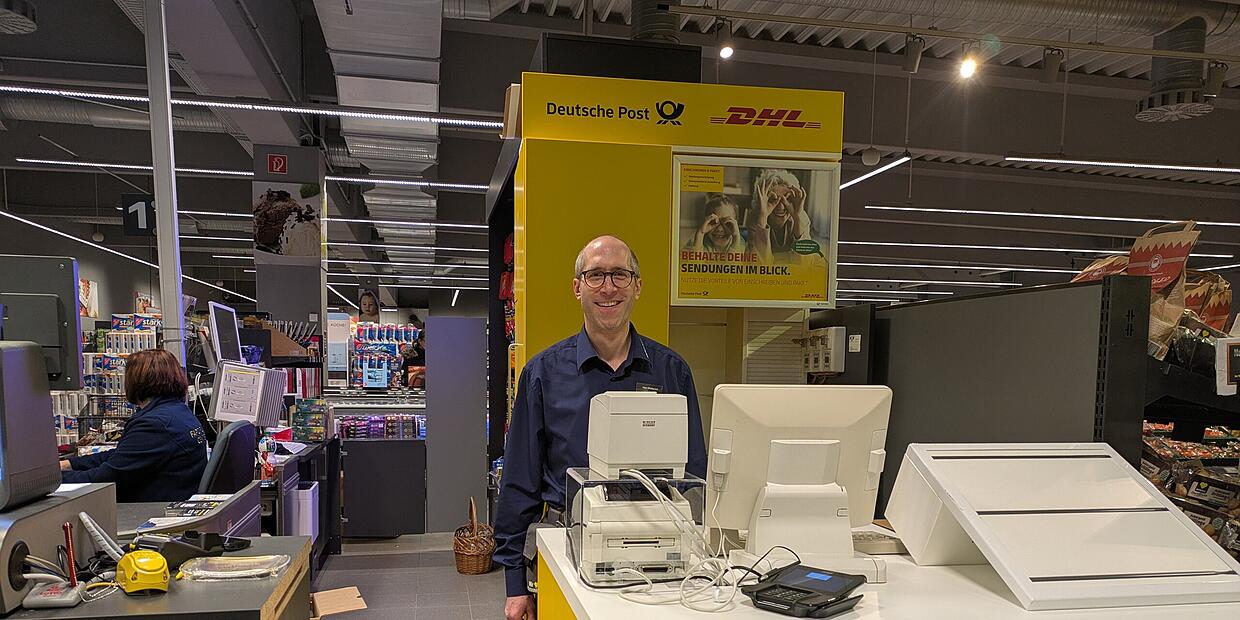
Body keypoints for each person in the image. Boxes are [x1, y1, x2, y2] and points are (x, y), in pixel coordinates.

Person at [494, 236, 708, 620]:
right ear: (577, 287)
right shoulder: (542, 374)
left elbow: (694, 472)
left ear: (637, 286)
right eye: (595, 275)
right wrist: (515, 581)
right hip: (566, 548)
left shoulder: (672, 372)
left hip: (659, 551)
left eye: (620, 275)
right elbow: (519, 479)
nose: (608, 288)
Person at [62, 349, 208, 502]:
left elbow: (105, 478)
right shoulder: (178, 413)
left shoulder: (154, 425)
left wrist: (56, 480)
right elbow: (122, 456)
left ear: (135, 381)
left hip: (147, 508)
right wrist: (70, 464)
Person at [746, 168, 811, 264]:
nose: (781, 207)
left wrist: (797, 219)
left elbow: (805, 264)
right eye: (772, 199)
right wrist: (763, 218)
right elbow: (757, 266)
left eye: (788, 199)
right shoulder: (756, 217)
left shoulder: (801, 217)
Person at [683, 194, 747, 254]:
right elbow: (692, 261)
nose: (719, 229)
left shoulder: (739, 243)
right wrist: (700, 234)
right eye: (713, 222)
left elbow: (735, 262)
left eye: (727, 223)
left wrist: (736, 240)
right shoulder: (695, 241)